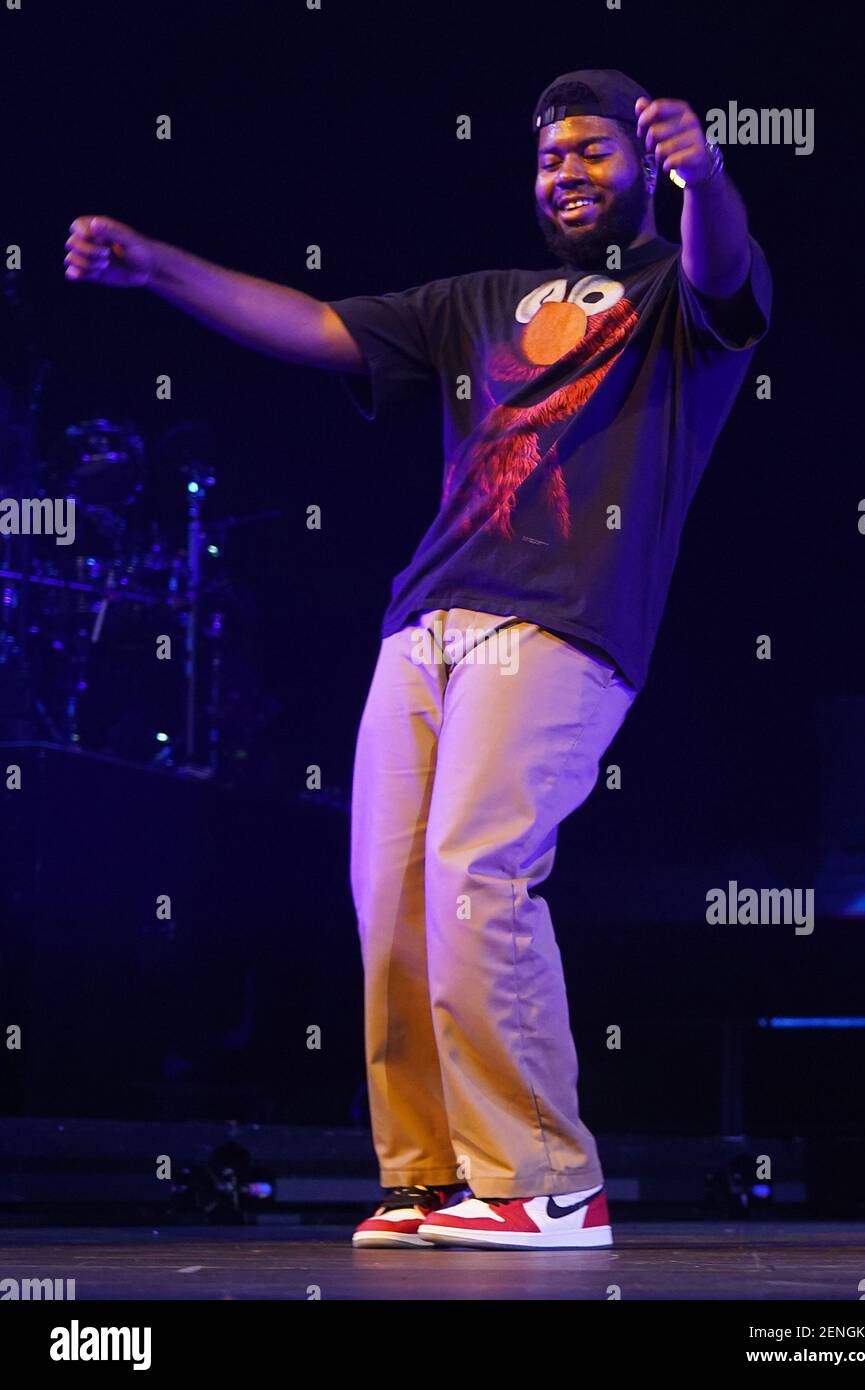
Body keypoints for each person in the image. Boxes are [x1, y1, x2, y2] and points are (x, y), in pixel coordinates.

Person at [65, 68, 772, 1251]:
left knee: (476, 872)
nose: (568, 175)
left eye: (595, 154)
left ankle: (549, 1180)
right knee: (391, 901)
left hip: (560, 621)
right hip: (425, 621)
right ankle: (435, 1176)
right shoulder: (474, 301)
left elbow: (722, 269)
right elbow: (320, 327)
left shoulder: (669, 300)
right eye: (551, 159)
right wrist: (160, 269)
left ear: (644, 169)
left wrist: (708, 174)